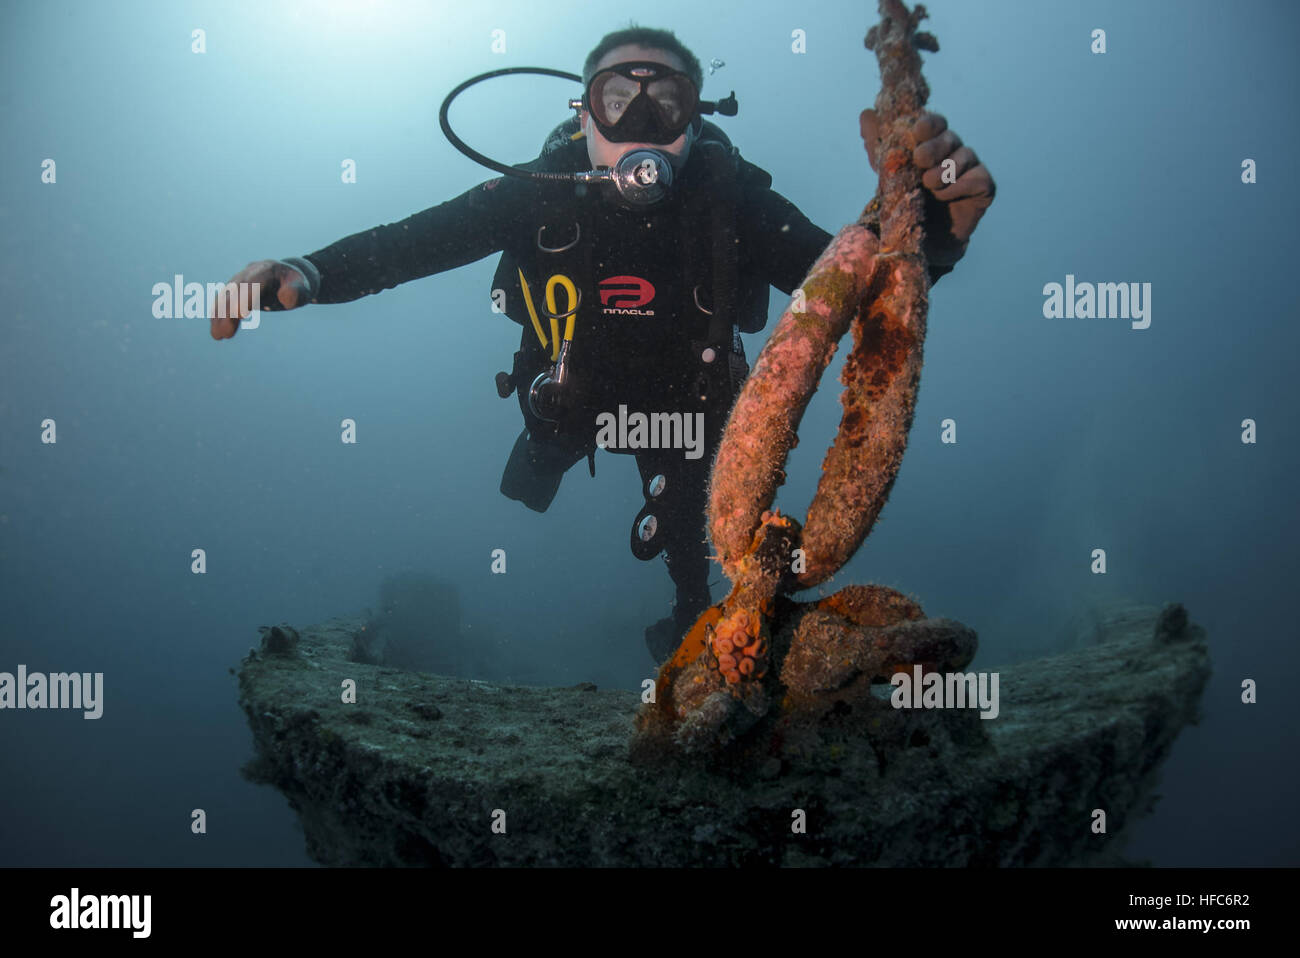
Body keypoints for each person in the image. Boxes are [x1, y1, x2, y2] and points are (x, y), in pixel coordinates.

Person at [209, 26, 995, 664]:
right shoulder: (535, 191)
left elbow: (849, 286)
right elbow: (411, 245)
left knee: (697, 554)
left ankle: (692, 630)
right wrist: (308, 271)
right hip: (570, 400)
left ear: (695, 118)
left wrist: (934, 239)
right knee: (532, 476)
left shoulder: (732, 197)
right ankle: (556, 463)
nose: (643, 123)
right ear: (585, 117)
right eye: (619, 100)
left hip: (693, 419)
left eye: (667, 100)